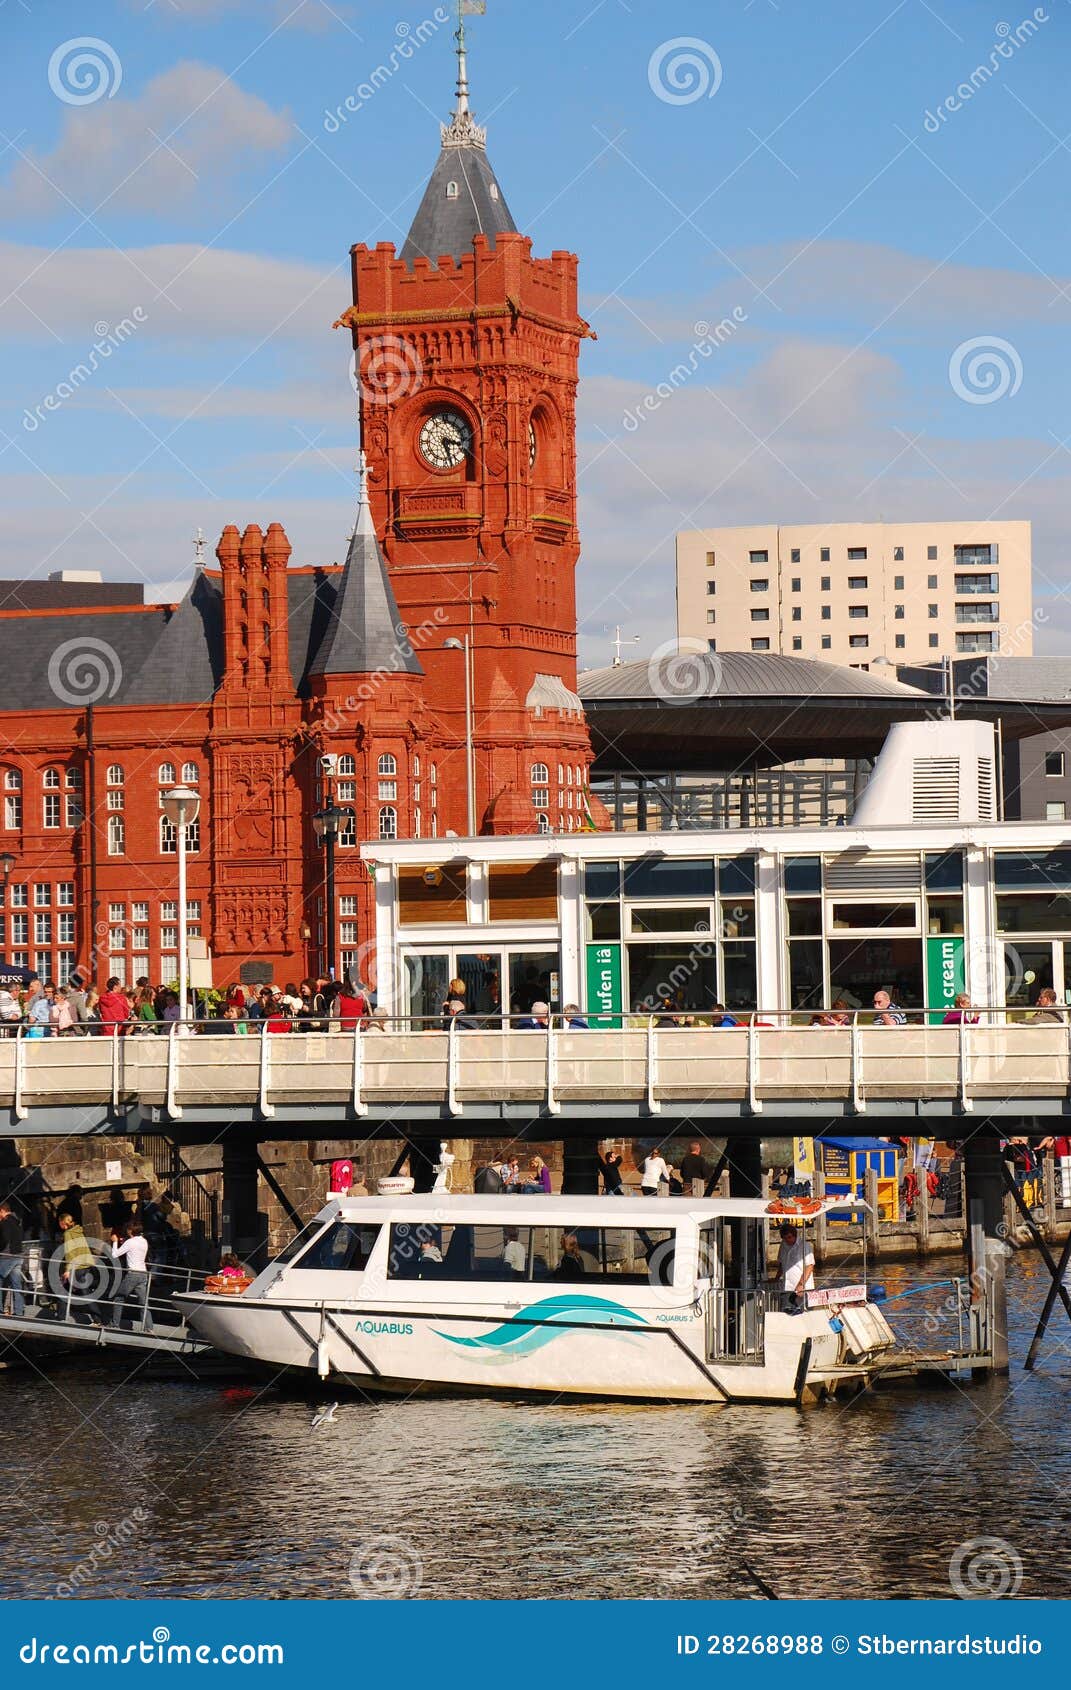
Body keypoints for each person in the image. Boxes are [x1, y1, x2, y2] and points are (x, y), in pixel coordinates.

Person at [58, 1211, 103, 1325]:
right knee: (83, 1292)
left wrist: (67, 1270)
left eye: (59, 1222)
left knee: (63, 1290)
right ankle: (97, 1319)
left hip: (76, 1267)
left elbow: (70, 1253)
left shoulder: (68, 1233)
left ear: (63, 1223)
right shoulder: (78, 1231)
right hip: (86, 1265)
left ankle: (61, 1318)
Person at [110, 1222, 153, 1333]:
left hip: (133, 1274)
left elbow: (115, 1254)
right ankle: (149, 1328)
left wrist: (115, 1242)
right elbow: (134, 1249)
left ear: (130, 1231)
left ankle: (114, 1324)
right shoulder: (144, 1241)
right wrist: (124, 1242)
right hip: (143, 1273)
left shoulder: (130, 1242)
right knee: (143, 1303)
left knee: (119, 1298)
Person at [772, 1221, 815, 1310]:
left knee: (804, 1317)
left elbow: (810, 1266)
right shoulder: (783, 1245)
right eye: (784, 1238)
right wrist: (776, 1278)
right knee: (785, 1315)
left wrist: (801, 1284)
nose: (787, 1240)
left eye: (789, 1237)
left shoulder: (805, 1245)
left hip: (802, 1289)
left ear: (794, 1235)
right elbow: (781, 1264)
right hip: (787, 1287)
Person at [0, 1200, 26, 1318]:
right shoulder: (17, 1221)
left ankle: (0, 1310)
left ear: (2, 1211)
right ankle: (19, 1311)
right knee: (17, 1284)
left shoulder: (5, 1223)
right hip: (18, 1255)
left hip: (7, 1256)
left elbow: (4, 1239)